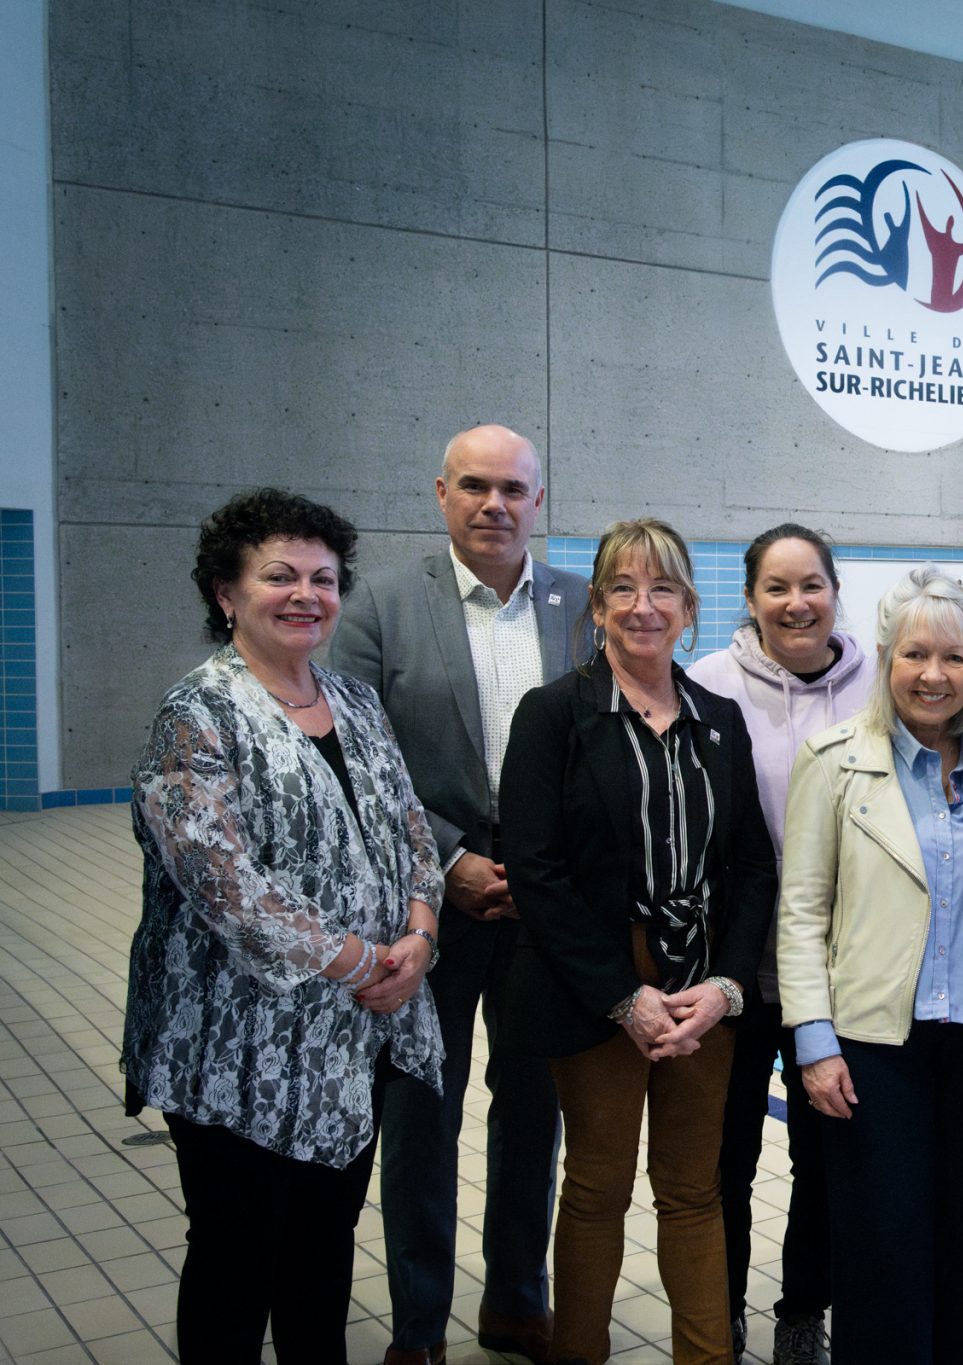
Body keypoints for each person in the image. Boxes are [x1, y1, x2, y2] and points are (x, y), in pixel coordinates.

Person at [124, 488, 445, 1364]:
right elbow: (225, 884)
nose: (306, 594)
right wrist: (361, 959)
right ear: (225, 592)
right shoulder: (198, 712)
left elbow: (410, 831)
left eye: (323, 577)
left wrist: (418, 937)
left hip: (349, 1043)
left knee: (322, 1253)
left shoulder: (357, 703)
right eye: (279, 576)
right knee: (235, 1260)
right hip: (234, 1048)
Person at [330, 422, 591, 1365]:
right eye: (475, 486)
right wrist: (448, 861)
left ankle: (519, 1301)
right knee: (419, 1120)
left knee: (533, 1113)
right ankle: (418, 1326)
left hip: (543, 910)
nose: (495, 504)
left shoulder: (582, 607)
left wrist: (542, 868)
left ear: (538, 501)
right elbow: (360, 763)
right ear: (440, 492)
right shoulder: (380, 608)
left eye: (514, 489)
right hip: (427, 909)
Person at [498, 518, 777, 1365]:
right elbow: (535, 872)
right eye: (623, 587)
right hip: (596, 992)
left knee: (694, 1193)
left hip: (700, 999)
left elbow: (752, 866)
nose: (643, 606)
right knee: (596, 1188)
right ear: (598, 605)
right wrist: (622, 997)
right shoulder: (555, 715)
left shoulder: (720, 719)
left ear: (690, 608)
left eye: (662, 589)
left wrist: (725, 987)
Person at [779, 564, 963, 1365]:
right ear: (886, 657)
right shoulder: (833, 761)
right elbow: (801, 910)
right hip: (872, 1043)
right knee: (882, 1247)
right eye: (916, 654)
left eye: (955, 657)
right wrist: (814, 1043)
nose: (934, 675)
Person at [687, 523, 872, 1365]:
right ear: (750, 598)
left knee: (826, 1158)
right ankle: (719, 1310)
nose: (796, 603)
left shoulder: (881, 682)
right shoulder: (707, 686)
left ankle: (803, 1311)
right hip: (732, 966)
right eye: (776, 588)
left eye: (812, 584)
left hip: (839, 974)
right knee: (725, 1156)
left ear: (836, 589)